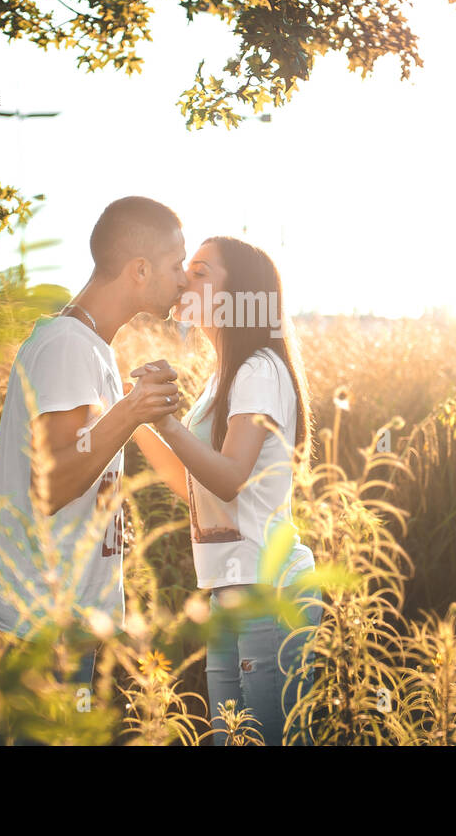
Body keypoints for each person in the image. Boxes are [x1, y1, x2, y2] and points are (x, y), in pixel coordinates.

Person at [0, 196, 187, 686]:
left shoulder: (91, 348)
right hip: (41, 633)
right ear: (139, 270)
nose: (182, 279)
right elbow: (50, 484)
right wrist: (132, 411)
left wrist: (135, 411)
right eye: (175, 265)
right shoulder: (69, 346)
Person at [132, 236, 322, 745]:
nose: (183, 281)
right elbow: (192, 484)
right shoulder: (224, 376)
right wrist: (132, 417)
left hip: (269, 586)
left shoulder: (260, 368)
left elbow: (231, 475)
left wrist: (167, 423)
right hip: (230, 589)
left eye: (200, 271)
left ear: (238, 294)